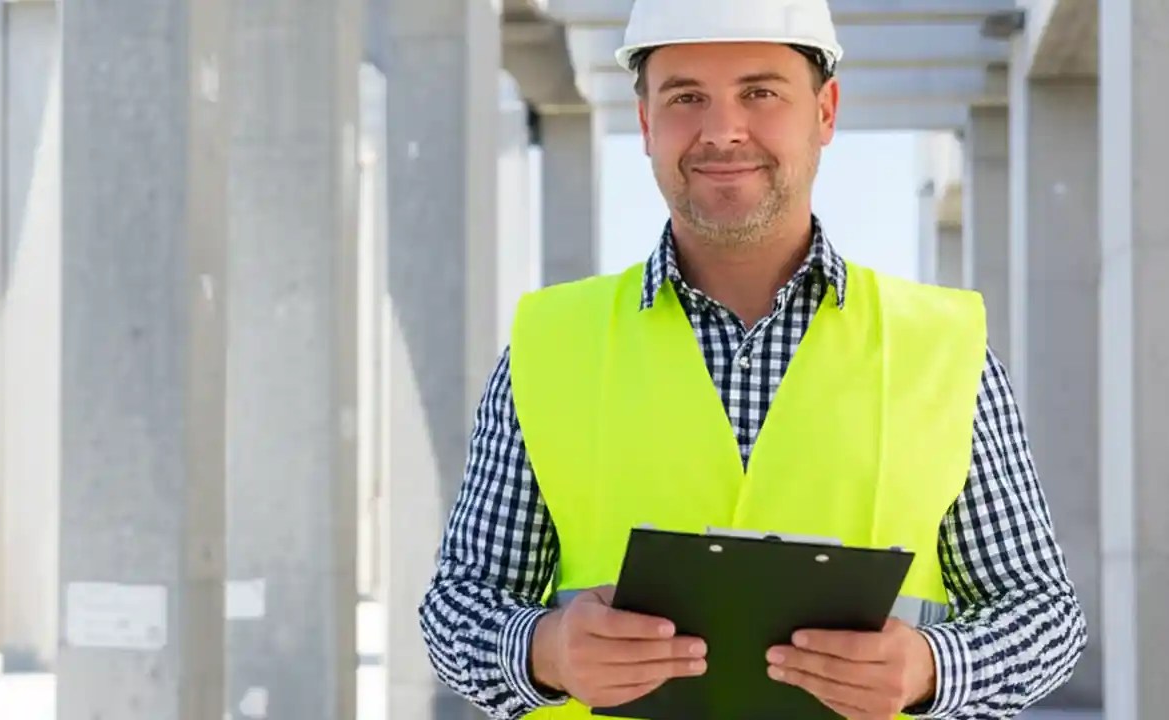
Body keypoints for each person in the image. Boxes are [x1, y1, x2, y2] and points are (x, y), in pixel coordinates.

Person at [419, 0, 1086, 717]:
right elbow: (459, 604)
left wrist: (932, 667)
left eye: (760, 92)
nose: (722, 130)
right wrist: (544, 651)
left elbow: (1043, 613)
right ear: (645, 123)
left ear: (825, 112)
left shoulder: (943, 349)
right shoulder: (549, 345)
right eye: (685, 98)